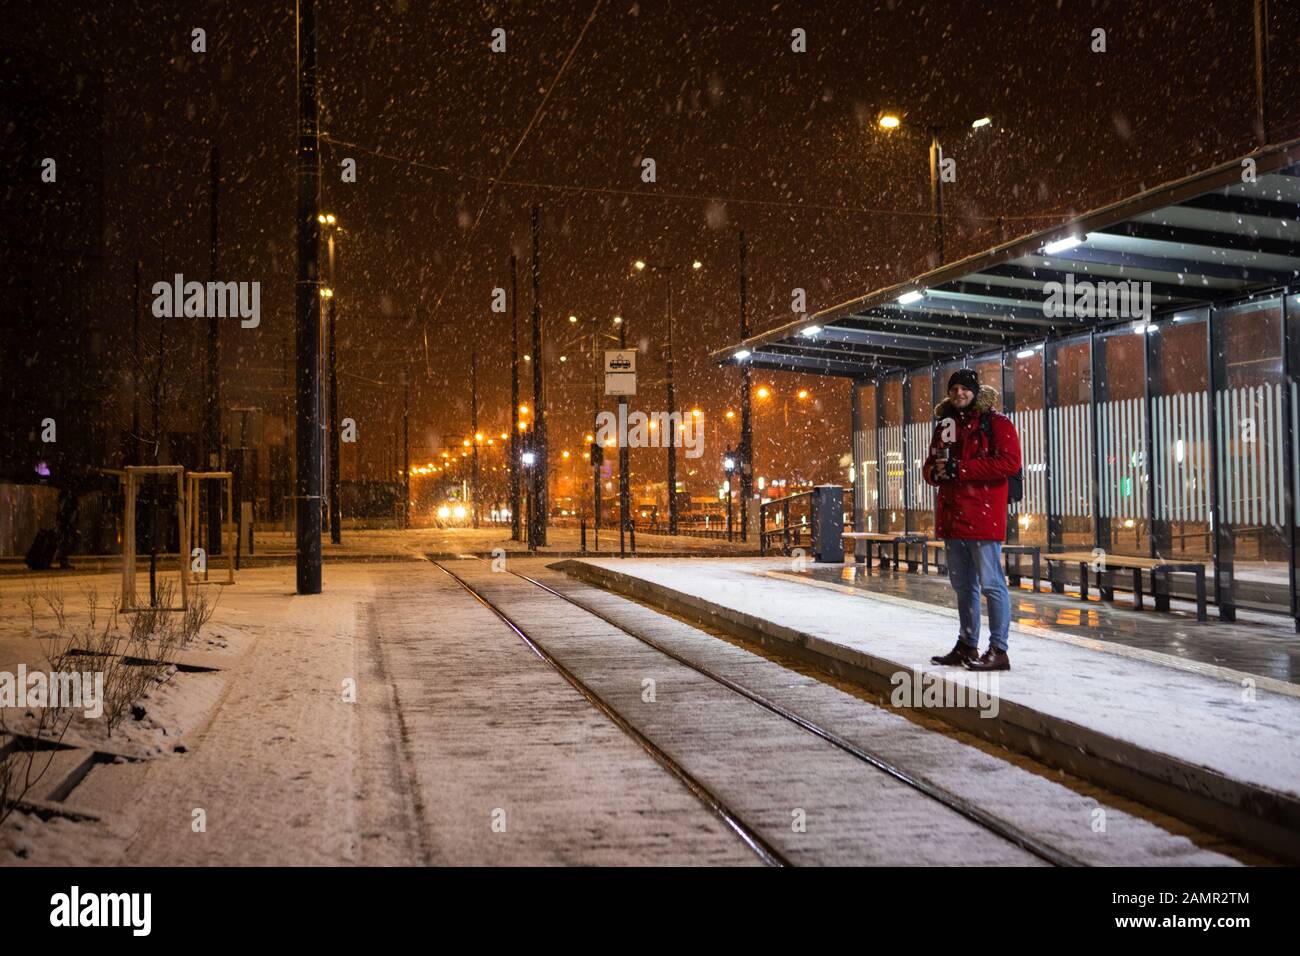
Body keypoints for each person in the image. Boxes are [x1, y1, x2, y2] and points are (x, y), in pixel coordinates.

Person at [923, 369, 1022, 671]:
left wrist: (960, 469)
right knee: (963, 586)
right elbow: (931, 464)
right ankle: (967, 645)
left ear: (975, 392)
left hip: (983, 517)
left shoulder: (997, 423)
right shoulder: (946, 425)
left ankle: (999, 650)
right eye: (953, 390)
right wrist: (934, 473)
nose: (959, 394)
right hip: (954, 518)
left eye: (964, 389)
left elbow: (1009, 462)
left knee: (992, 585)